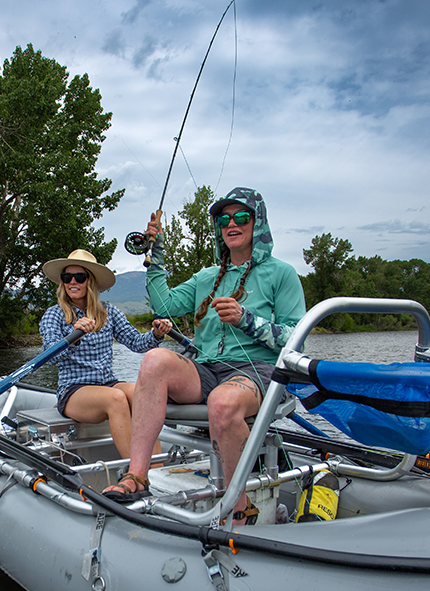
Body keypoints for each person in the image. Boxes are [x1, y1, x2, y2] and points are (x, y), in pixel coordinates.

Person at [101, 187, 306, 525]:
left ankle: (239, 505)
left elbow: (295, 341)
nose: (232, 224)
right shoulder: (206, 278)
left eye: (241, 216)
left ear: (258, 222)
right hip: (207, 369)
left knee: (223, 404)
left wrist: (247, 320)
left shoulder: (282, 274)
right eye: (224, 219)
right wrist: (158, 253)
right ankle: (138, 477)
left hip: (258, 373)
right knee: (155, 361)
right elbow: (163, 306)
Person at [39, 249, 173, 458]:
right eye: (67, 277)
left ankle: (156, 470)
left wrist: (155, 334)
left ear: (89, 281)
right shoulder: (54, 314)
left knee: (143, 393)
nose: (72, 282)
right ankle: (136, 474)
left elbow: (136, 343)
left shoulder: (108, 311)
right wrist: (76, 335)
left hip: (107, 383)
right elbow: (49, 356)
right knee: (116, 399)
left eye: (79, 277)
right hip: (73, 390)